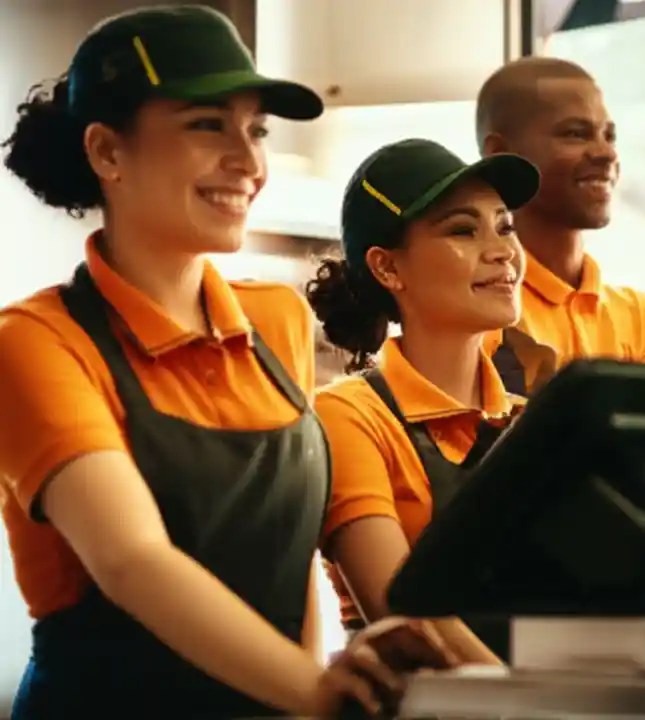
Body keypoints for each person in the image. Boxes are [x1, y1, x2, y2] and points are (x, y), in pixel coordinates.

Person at [0, 7, 446, 718]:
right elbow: (132, 560)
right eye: (208, 125)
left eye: (256, 129)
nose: (249, 161)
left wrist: (305, 693)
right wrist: (313, 689)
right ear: (108, 153)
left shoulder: (278, 322)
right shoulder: (35, 342)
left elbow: (292, 558)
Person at [306, 138, 539, 662]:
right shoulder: (349, 416)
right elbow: (403, 615)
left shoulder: (531, 421)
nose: (503, 251)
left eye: (505, 226)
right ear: (388, 269)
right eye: (462, 230)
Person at [475, 57, 645, 389]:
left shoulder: (642, 317)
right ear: (500, 154)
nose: (606, 153)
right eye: (575, 134)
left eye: (609, 136)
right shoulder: (474, 314)